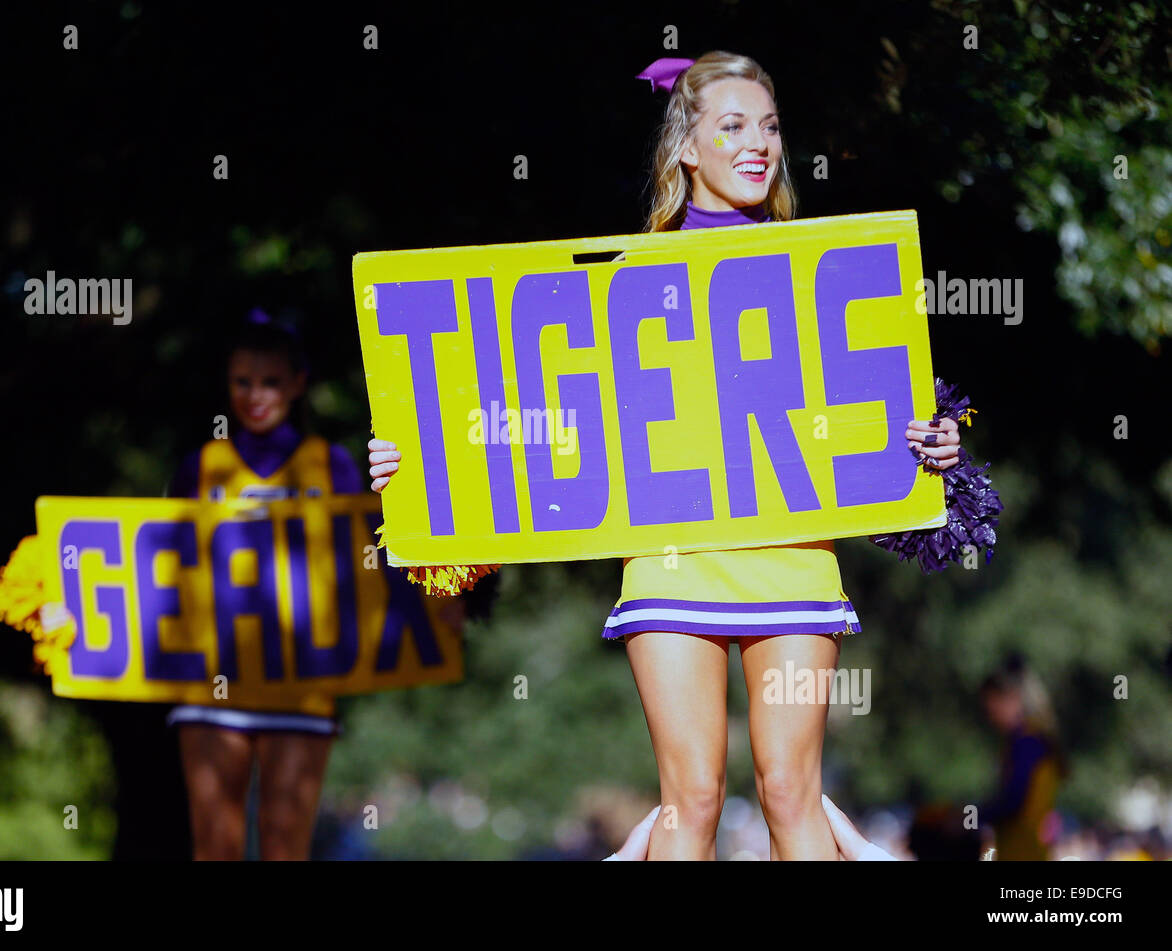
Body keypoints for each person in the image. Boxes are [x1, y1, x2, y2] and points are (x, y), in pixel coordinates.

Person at [367, 52, 964, 860]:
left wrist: (936, 442)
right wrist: (420, 456)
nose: (759, 144)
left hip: (791, 558)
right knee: (694, 799)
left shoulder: (816, 270)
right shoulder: (624, 275)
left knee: (791, 789)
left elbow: (881, 420)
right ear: (687, 146)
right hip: (672, 559)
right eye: (733, 126)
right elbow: (528, 419)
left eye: (771, 126)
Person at [167, 309, 364, 860]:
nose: (256, 395)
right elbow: (156, 569)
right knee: (215, 849)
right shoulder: (199, 467)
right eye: (242, 382)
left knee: (285, 849)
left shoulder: (333, 466)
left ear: (298, 384)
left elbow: (370, 561)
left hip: (300, 683)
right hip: (212, 682)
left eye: (271, 381)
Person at [978, 654, 1066, 860]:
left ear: (1012, 699)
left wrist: (966, 819)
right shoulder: (1034, 740)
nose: (990, 715)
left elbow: (1013, 800)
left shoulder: (1028, 743)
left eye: (992, 705)